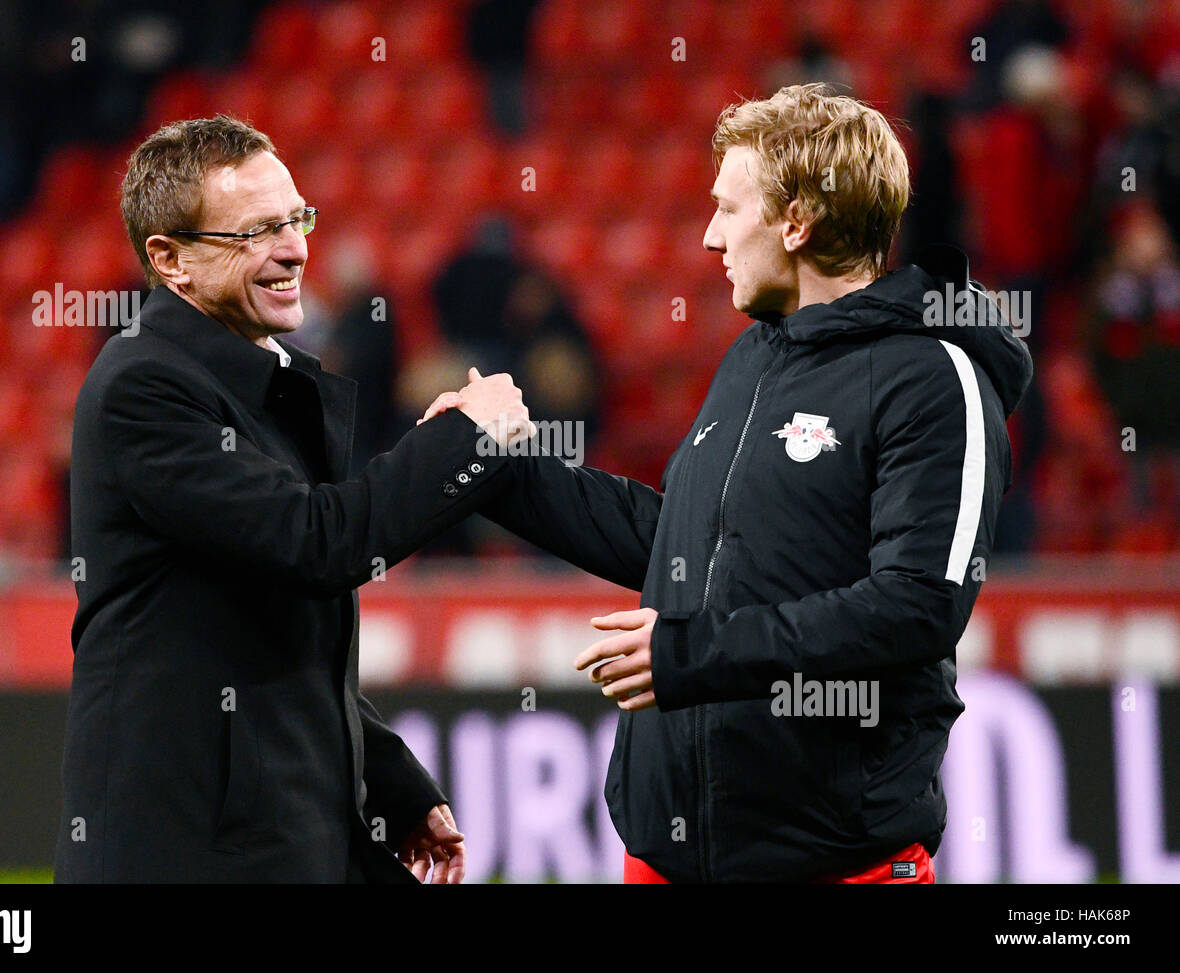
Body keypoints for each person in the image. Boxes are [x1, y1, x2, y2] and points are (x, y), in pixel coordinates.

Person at [424, 84, 1034, 882]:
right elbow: (676, 539)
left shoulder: (935, 377)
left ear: (797, 221)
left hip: (830, 862)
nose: (710, 236)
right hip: (667, 858)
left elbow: (916, 607)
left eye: (727, 208)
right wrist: (491, 469)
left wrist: (690, 654)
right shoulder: (756, 356)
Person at [55, 115, 530, 883]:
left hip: (279, 831)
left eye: (294, 219)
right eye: (252, 233)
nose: (292, 249)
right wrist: (466, 437)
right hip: (189, 853)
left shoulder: (252, 378)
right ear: (170, 260)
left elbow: (272, 629)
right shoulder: (144, 387)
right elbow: (318, 544)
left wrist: (390, 780)